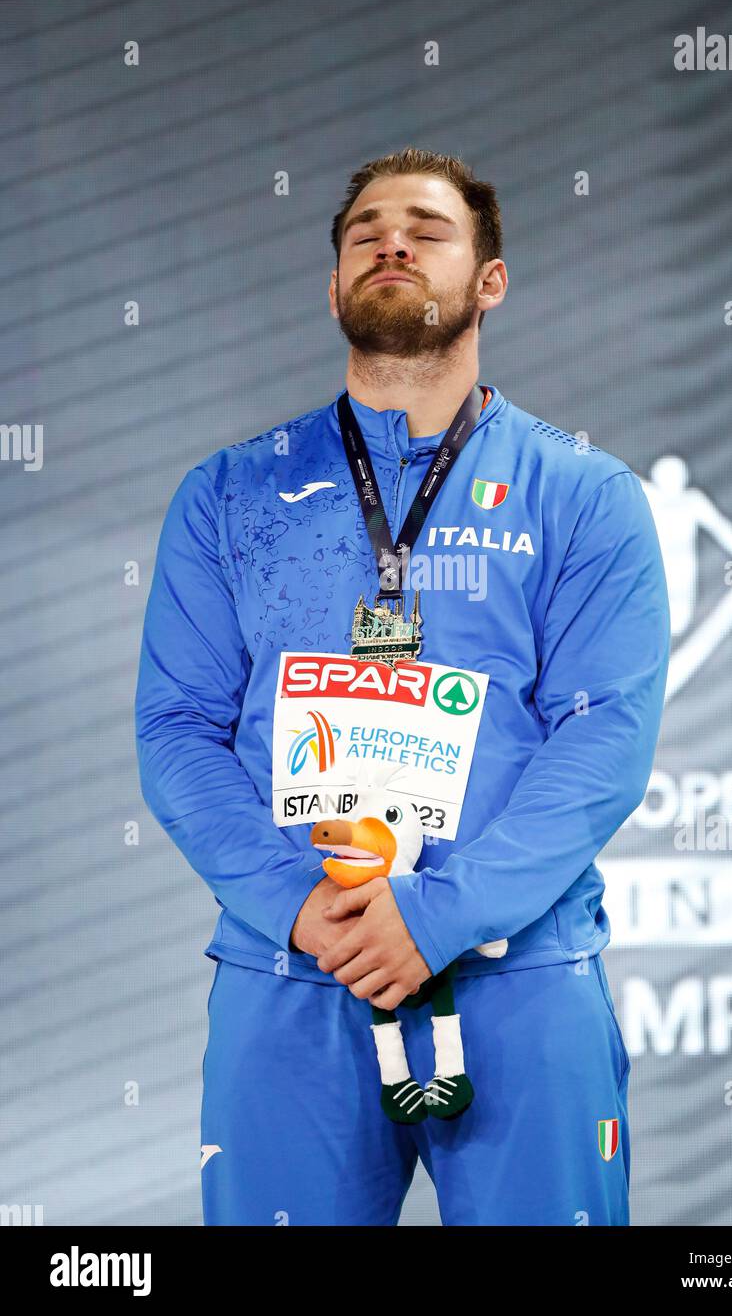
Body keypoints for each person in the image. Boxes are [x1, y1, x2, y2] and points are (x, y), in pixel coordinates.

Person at [134, 146, 671, 1226]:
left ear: (489, 280)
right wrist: (296, 907)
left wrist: (437, 913)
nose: (391, 242)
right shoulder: (228, 494)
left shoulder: (583, 494)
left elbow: (603, 741)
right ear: (332, 286)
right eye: (364, 232)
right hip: (294, 969)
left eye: (427, 231)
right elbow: (177, 731)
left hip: (514, 972)